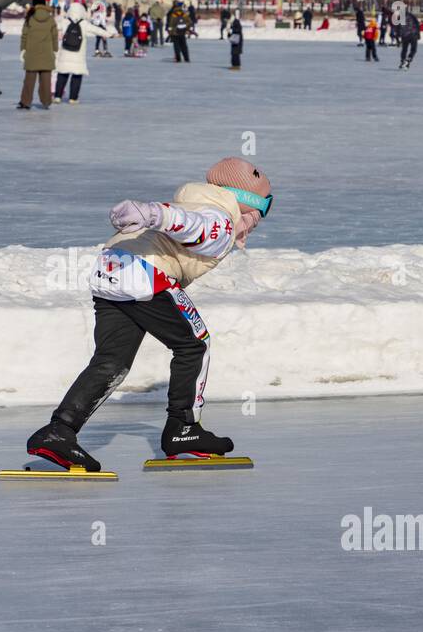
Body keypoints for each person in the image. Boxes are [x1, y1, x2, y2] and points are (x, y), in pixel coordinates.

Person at [24, 157, 272, 472]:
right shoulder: (220, 217)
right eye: (262, 210)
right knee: (195, 344)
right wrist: (153, 213)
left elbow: (188, 219)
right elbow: (194, 226)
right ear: (245, 201)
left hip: (110, 269)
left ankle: (58, 432)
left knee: (111, 361)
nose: (260, 221)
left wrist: (154, 215)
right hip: (146, 274)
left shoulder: (201, 201)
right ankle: (183, 429)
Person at [54, 1, 113, 104]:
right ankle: (73, 98)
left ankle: (57, 97)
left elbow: (52, 27)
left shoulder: (64, 22)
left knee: (62, 75)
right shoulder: (84, 23)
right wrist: (109, 34)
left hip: (65, 53)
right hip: (78, 55)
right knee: (77, 76)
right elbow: (97, 30)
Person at [18, 0, 57, 109]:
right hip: (47, 54)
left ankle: (25, 102)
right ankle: (46, 102)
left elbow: (24, 35)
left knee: (29, 81)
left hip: (31, 54)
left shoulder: (29, 17)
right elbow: (54, 36)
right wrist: (55, 50)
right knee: (46, 81)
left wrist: (23, 49)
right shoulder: (50, 19)